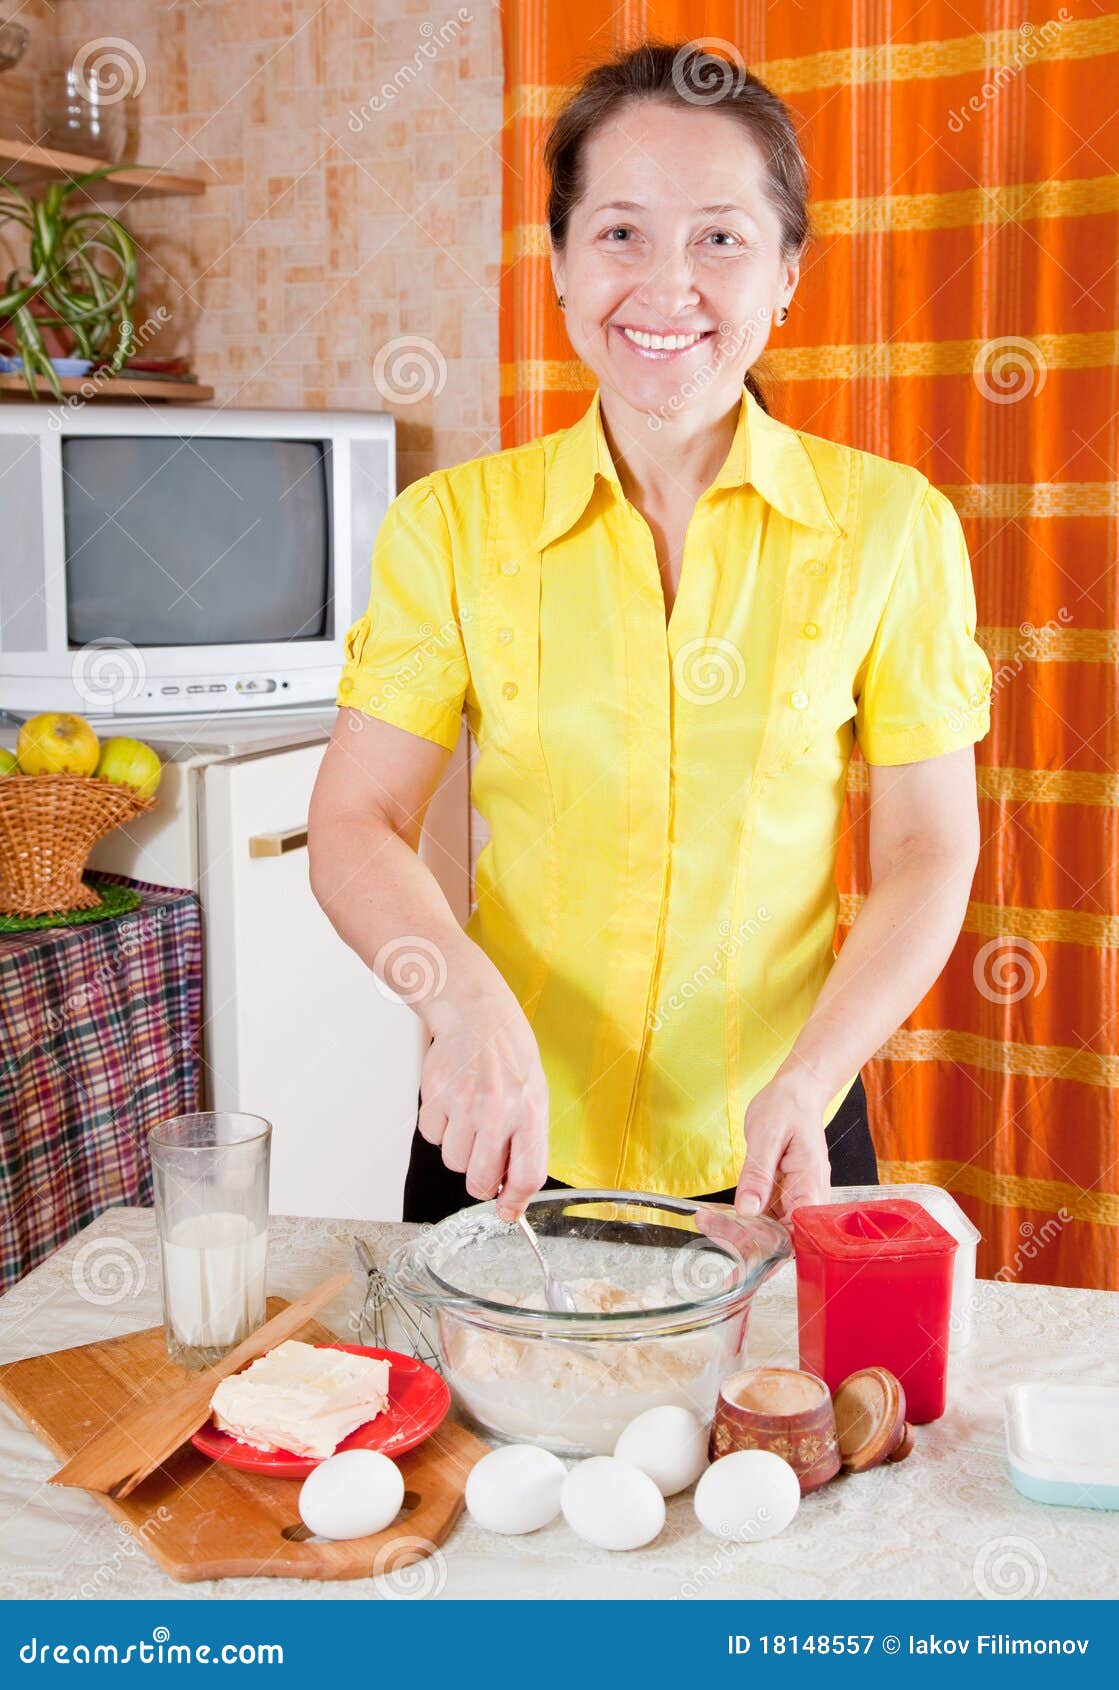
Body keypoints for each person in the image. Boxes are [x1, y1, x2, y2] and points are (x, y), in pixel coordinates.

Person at [308, 41, 992, 1229]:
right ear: (563, 268)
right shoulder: (450, 528)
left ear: (787, 275)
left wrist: (813, 1074)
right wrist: (459, 1002)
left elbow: (930, 850)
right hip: (502, 1139)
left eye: (721, 238)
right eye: (621, 233)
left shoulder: (893, 529)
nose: (667, 289)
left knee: (774, 1426)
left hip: (784, 1129)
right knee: (480, 1424)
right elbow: (356, 818)